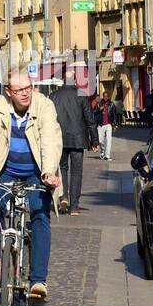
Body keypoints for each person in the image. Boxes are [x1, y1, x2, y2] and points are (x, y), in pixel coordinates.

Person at [0, 68, 63, 302]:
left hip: (37, 172)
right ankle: (3, 255)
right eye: (19, 90)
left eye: (28, 88)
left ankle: (38, 280)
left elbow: (51, 139)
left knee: (40, 215)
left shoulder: (44, 105)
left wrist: (49, 171)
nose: (25, 94)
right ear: (8, 92)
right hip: (5, 169)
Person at [52, 79, 99, 214]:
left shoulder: (54, 96)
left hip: (59, 139)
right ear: (75, 81)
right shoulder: (82, 95)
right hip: (78, 139)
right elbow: (90, 120)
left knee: (62, 169)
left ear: (62, 82)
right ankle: (74, 206)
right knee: (76, 172)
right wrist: (94, 141)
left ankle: (63, 197)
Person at [94, 93, 120, 162]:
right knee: (100, 140)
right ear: (103, 96)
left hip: (109, 124)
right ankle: (102, 150)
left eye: (107, 96)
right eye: (104, 96)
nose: (105, 97)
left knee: (109, 140)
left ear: (108, 97)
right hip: (101, 124)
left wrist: (115, 125)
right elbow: (94, 113)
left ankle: (107, 155)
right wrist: (99, 109)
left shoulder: (112, 104)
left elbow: (114, 115)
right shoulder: (99, 104)